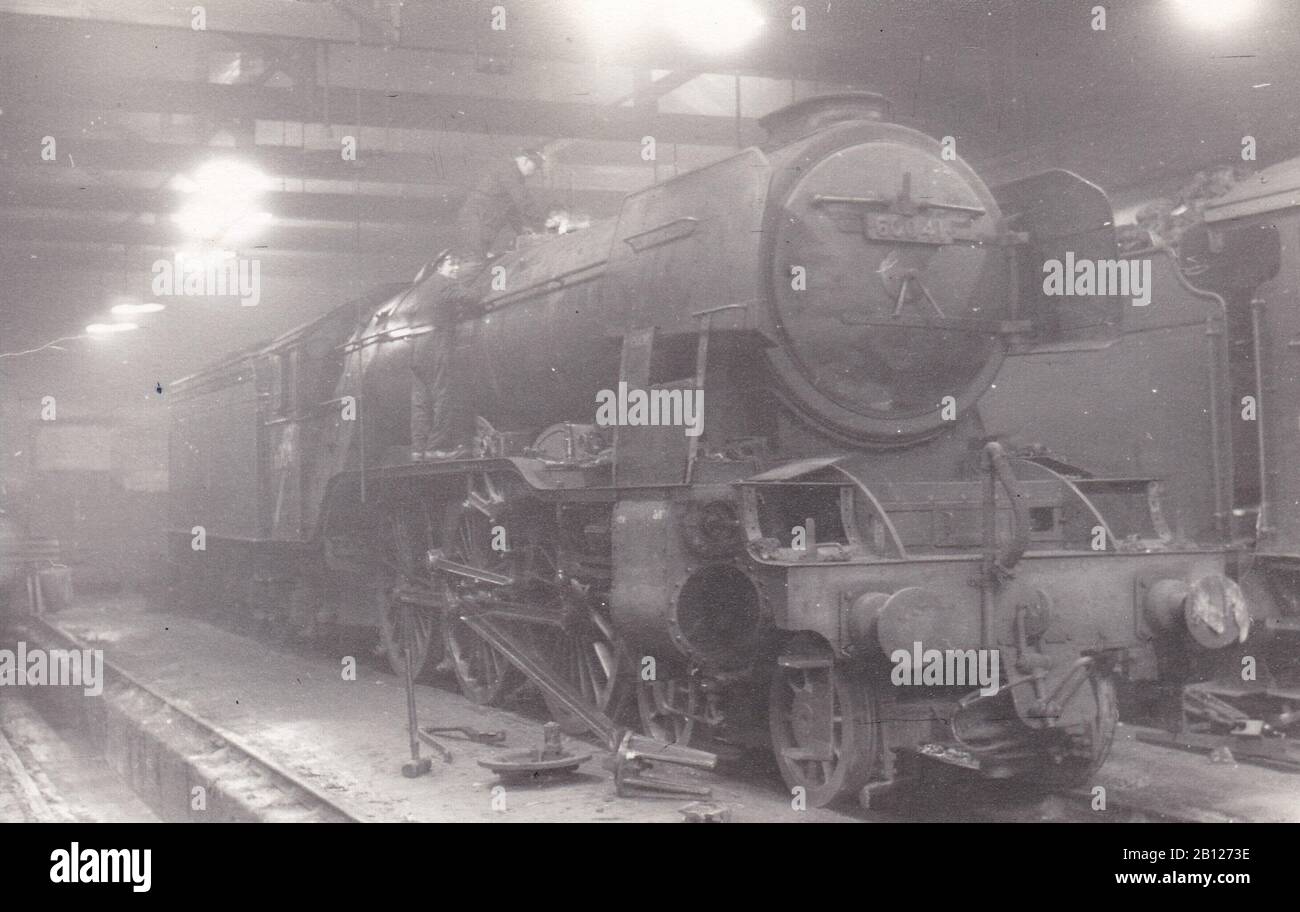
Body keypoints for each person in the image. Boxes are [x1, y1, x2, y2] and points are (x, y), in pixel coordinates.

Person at [409, 253, 474, 461]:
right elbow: (471, 297)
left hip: (418, 348)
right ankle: (438, 448)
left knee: (420, 402)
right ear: (438, 266)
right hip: (436, 344)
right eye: (451, 264)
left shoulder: (422, 287)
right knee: (444, 394)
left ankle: (418, 450)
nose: (456, 268)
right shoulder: (445, 284)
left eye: (458, 263)